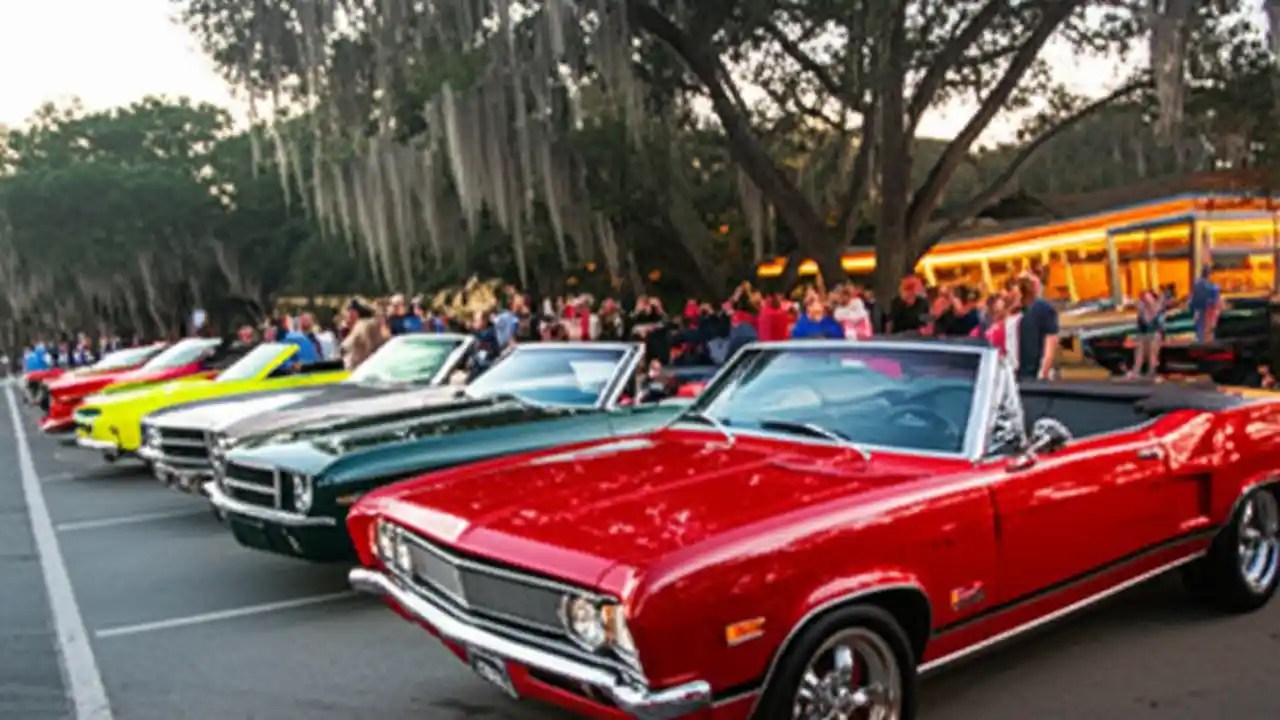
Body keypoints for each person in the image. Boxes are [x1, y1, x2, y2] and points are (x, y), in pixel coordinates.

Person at [1016, 274, 1059, 380]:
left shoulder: (1017, 312)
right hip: (1033, 372)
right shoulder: (1044, 309)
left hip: (1020, 372)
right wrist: (1044, 372)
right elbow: (1051, 341)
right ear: (1037, 287)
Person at [1128, 290, 1164, 378]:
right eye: (1144, 298)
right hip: (1143, 334)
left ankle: (1151, 371)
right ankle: (1136, 371)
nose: (1146, 300)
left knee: (1152, 350)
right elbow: (1141, 324)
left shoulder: (1157, 309)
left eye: (1148, 298)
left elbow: (1157, 325)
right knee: (1139, 351)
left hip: (1154, 334)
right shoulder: (1142, 310)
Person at [1189, 267, 1221, 342]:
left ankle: (1200, 341)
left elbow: (1192, 300)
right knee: (1208, 330)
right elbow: (1215, 301)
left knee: (1200, 330)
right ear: (1209, 275)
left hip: (1199, 311)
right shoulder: (1213, 287)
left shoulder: (1197, 285)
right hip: (1208, 311)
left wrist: (1192, 310)